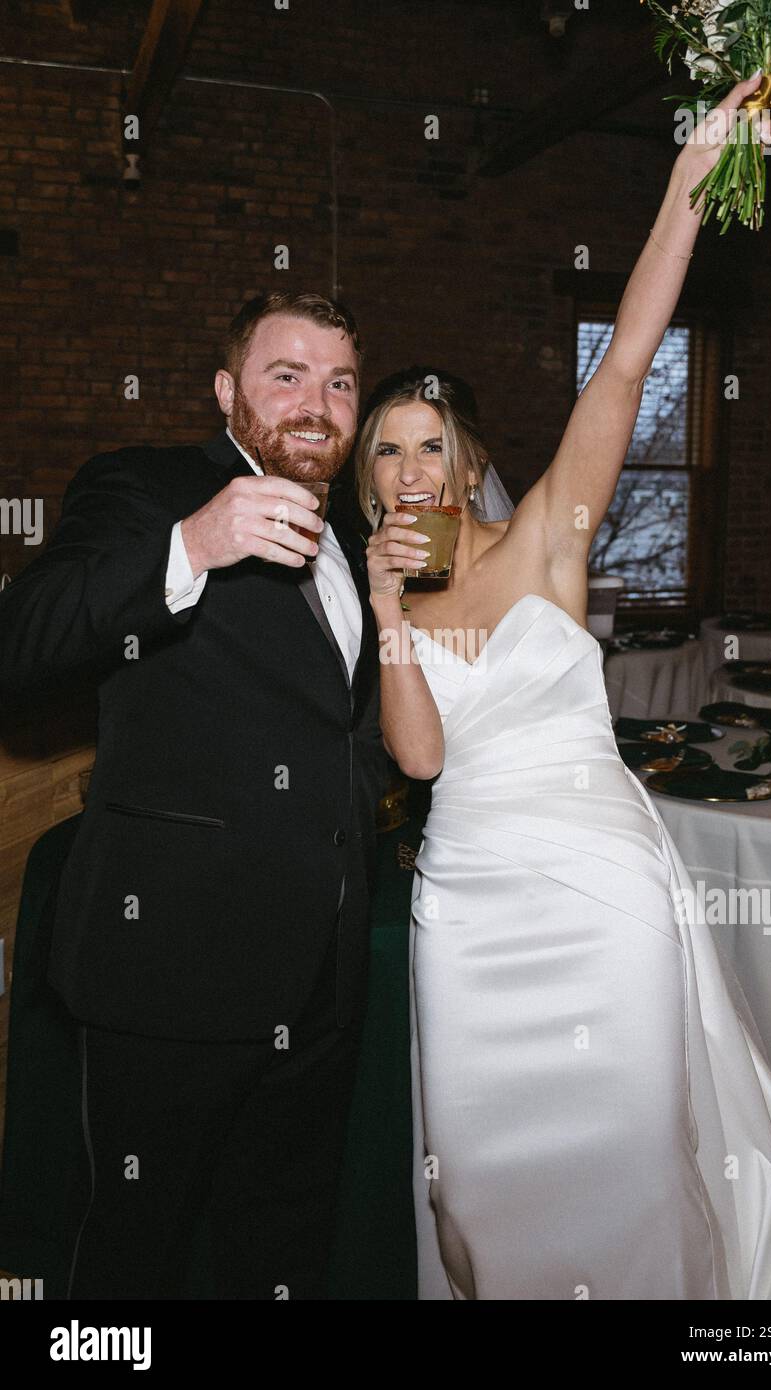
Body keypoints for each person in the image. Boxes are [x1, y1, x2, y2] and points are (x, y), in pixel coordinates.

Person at [360, 76, 771, 1299]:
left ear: (467, 461)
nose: (413, 465)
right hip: (470, 910)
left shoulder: (547, 538)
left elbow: (629, 358)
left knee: (629, 1158)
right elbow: (419, 763)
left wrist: (693, 169)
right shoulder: (391, 605)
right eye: (387, 448)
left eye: (433, 441)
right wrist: (385, 619)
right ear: (370, 487)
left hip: (599, 888)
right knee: (481, 1186)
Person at [0, 290, 388, 1298]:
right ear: (226, 391)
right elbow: (22, 640)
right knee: (129, 1250)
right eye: (286, 375)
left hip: (319, 983)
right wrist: (192, 546)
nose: (317, 402)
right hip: (168, 971)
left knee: (278, 1252)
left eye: (339, 381)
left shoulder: (356, 532)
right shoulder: (147, 487)